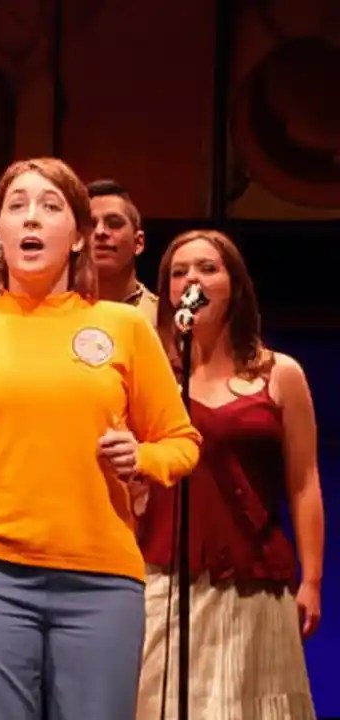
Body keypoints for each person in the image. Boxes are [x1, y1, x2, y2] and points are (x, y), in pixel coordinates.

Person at [0, 157, 201, 720]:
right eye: (16, 207)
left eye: (49, 206)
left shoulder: (123, 326)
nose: (31, 219)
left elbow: (181, 441)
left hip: (100, 581)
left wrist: (142, 456)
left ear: (80, 236)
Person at [134, 230, 322, 719]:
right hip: (165, 581)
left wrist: (313, 580)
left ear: (234, 286)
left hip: (253, 580)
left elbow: (304, 482)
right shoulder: (153, 376)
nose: (191, 279)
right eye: (179, 272)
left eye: (206, 269)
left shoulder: (280, 374)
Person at [87, 179, 158, 323]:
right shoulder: (53, 315)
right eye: (90, 225)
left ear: (138, 242)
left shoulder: (163, 321)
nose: (100, 232)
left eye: (114, 224)